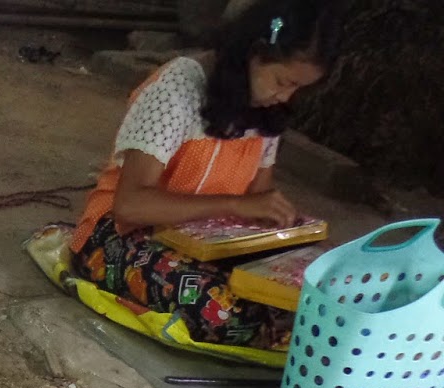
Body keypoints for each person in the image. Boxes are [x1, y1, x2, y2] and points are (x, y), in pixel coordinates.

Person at [69, 0, 343, 351]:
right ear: (253, 52)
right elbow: (130, 206)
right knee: (226, 312)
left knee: (314, 296)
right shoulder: (175, 91)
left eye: (297, 89)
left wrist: (286, 237)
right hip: (119, 237)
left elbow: (258, 201)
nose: (285, 97)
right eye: (282, 81)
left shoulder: (266, 111)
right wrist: (235, 205)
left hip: (205, 247)